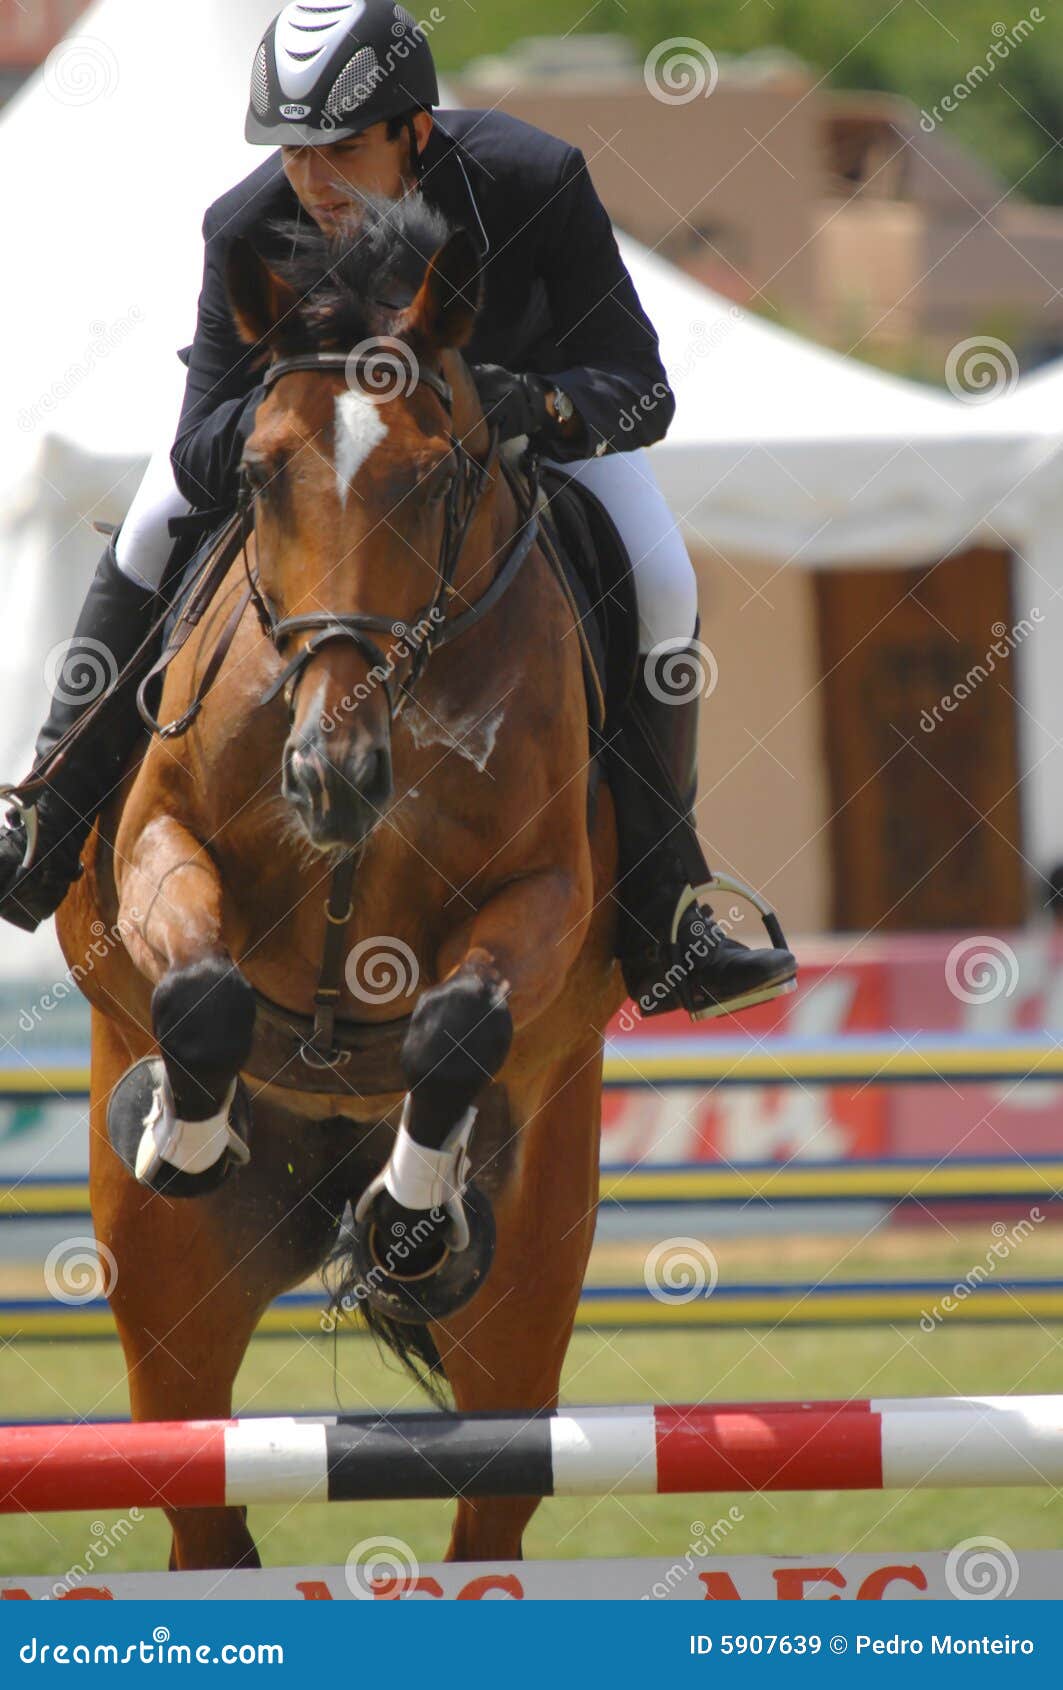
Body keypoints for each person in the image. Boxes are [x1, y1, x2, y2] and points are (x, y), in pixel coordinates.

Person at [0, 0, 795, 1020]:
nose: (311, 178)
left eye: (339, 148)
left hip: (521, 448)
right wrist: (294, 422)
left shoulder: (530, 180)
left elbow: (639, 384)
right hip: (314, 469)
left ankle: (667, 900)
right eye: (292, 151)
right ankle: (45, 808)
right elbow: (199, 441)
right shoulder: (247, 224)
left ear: (414, 129)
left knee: (666, 579)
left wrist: (532, 405)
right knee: (152, 526)